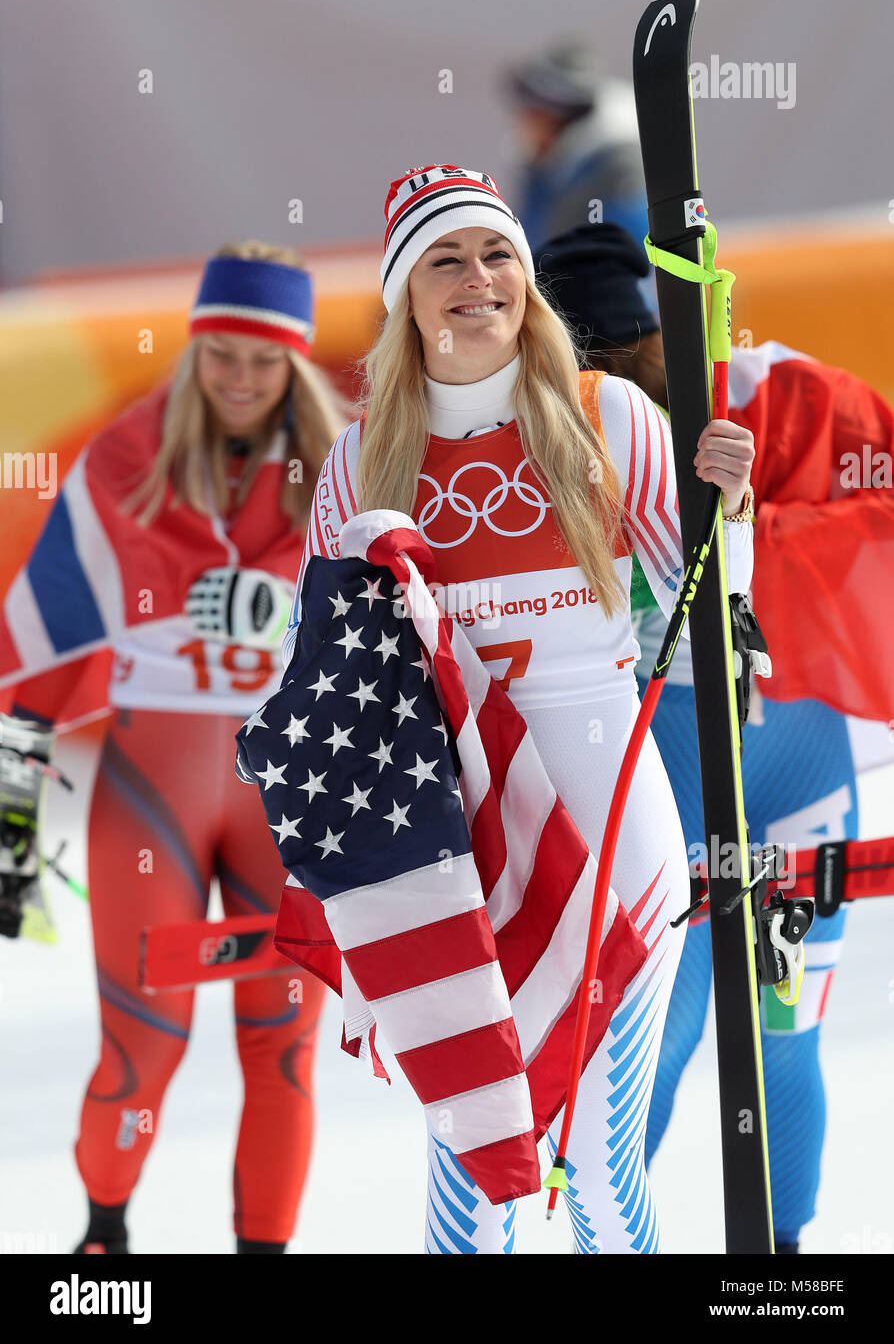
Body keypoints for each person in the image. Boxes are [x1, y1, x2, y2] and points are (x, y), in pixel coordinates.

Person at [283, 165, 756, 1254]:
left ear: (527, 282)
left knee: (593, 1158)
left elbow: (712, 606)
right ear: (406, 293)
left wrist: (726, 512)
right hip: (452, 837)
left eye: (496, 254)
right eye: (444, 259)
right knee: (479, 1165)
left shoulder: (608, 417)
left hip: (611, 826)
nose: (477, 278)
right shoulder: (361, 465)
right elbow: (322, 684)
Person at [533, 219, 894, 1252]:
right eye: (582, 371)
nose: (610, 395)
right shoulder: (542, 431)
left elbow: (881, 523)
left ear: (656, 333)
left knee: (785, 1037)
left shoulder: (777, 389)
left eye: (620, 360)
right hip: (667, 764)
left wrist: (751, 528)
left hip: (794, 751)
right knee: (657, 1038)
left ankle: (780, 1266)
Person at [0, 243, 345, 1253]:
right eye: (220, 354)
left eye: (264, 360)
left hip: (282, 797)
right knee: (141, 1050)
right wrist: (12, 817)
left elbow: (404, 623)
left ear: (295, 366)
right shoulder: (126, 456)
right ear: (194, 349)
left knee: (284, 1051)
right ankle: (103, 1237)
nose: (239, 379)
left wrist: (287, 607)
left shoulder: (343, 467)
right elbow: (38, 644)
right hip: (155, 788)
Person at [506, 44, 648, 252]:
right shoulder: (548, 170)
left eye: (532, 112)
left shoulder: (618, 175)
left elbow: (636, 263)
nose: (523, 123)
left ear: (555, 116)